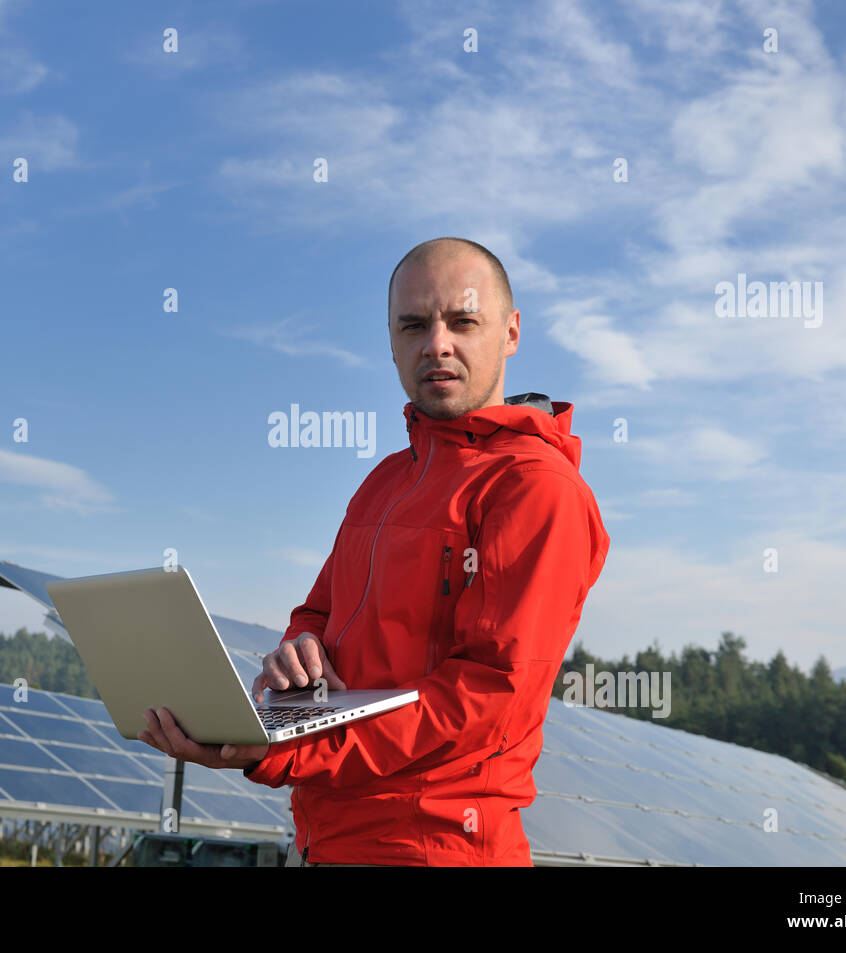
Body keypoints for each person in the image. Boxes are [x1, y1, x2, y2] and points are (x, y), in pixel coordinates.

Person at [139, 237, 610, 866]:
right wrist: (295, 662)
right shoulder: (386, 480)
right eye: (413, 324)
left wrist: (281, 748)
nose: (436, 343)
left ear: (511, 333)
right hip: (330, 841)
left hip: (437, 849)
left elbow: (486, 699)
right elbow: (317, 613)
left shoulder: (534, 488)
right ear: (391, 340)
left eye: (463, 321)